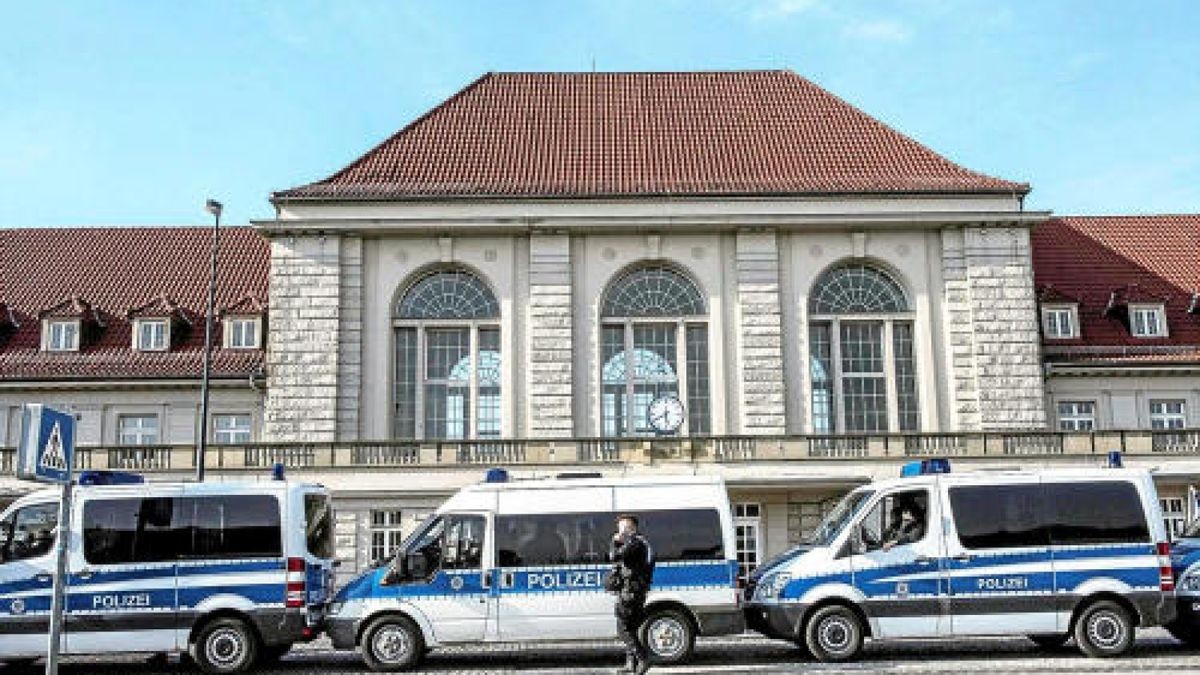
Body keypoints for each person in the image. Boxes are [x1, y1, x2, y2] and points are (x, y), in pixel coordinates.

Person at [610, 514, 655, 674]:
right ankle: (631, 663)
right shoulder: (641, 542)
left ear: (633, 528)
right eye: (620, 528)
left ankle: (643, 658)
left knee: (622, 629)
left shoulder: (635, 544)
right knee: (632, 627)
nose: (621, 531)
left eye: (625, 528)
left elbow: (614, 556)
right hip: (636, 590)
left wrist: (616, 542)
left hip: (631, 592)